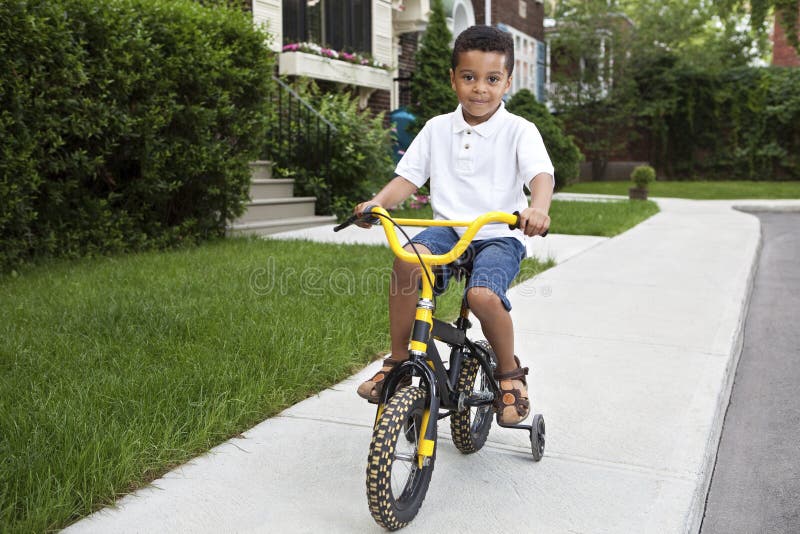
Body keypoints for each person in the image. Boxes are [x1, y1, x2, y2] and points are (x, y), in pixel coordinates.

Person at [353, 25, 554, 425]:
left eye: (492, 79)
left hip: (498, 234)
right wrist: (377, 204)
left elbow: (540, 175)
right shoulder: (436, 129)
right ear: (453, 78)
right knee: (408, 262)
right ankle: (396, 360)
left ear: (507, 82)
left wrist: (539, 207)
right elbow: (407, 179)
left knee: (482, 297)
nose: (480, 88)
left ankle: (509, 372)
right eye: (469, 77)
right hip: (449, 228)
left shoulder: (519, 131)